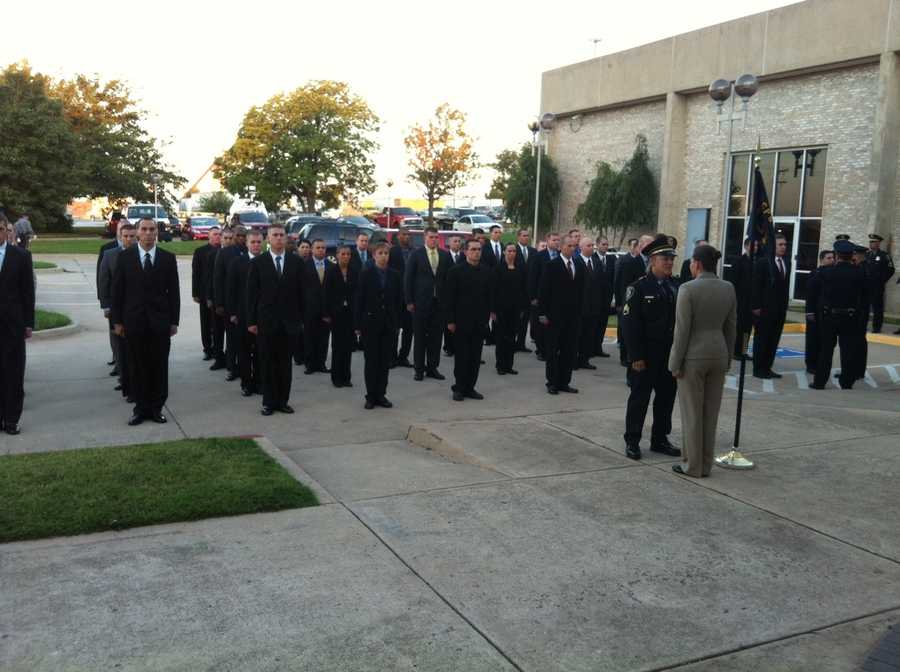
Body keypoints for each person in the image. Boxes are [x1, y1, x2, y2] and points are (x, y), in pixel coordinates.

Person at [668, 244, 736, 478]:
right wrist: (728, 357)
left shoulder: (687, 289)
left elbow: (682, 331)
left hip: (693, 357)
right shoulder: (728, 288)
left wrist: (674, 363)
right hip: (718, 353)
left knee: (692, 414)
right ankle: (705, 464)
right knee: (710, 413)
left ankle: (692, 465)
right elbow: (731, 327)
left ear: (696, 264)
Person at [110, 218, 180, 426]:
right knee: (136, 365)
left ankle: (156, 408)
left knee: (159, 365)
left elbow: (173, 293)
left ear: (156, 232)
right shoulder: (125, 257)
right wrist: (117, 321)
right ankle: (140, 409)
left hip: (160, 322)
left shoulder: (167, 258)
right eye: (144, 229)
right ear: (138, 232)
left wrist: (173, 321)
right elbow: (117, 292)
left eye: (152, 229)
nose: (148, 233)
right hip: (133, 322)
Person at [620, 234, 681, 460]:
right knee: (640, 399)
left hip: (669, 355)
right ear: (652, 260)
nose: (669, 262)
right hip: (645, 356)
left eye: (671, 258)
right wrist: (635, 356)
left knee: (666, 399)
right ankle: (632, 441)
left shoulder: (675, 287)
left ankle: (660, 439)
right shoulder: (638, 288)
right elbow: (629, 325)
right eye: (665, 258)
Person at [246, 223, 304, 415]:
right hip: (266, 322)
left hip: (289, 322)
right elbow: (252, 294)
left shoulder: (296, 262)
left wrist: (301, 319)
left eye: (281, 235)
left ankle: (282, 401)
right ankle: (269, 402)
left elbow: (302, 293)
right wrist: (252, 321)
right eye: (275, 235)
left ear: (286, 238)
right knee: (268, 362)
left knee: (285, 364)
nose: (279, 238)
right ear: (268, 239)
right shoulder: (258, 263)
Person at [811, 240, 866, 390]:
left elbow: (815, 290)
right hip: (850, 317)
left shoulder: (825, 272)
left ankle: (819, 382)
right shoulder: (859, 272)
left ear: (836, 255)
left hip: (829, 316)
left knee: (825, 350)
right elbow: (865, 295)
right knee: (848, 350)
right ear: (851, 255)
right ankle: (847, 382)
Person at [355, 242, 403, 409]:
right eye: (380, 253)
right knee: (371, 361)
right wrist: (358, 324)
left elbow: (399, 300)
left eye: (386, 253)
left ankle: (381, 394)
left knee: (384, 361)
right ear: (374, 255)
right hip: (370, 323)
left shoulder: (395, 275)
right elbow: (359, 300)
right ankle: (370, 396)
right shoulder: (366, 274)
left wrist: (397, 322)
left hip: (388, 323)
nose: (384, 256)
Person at [445, 239, 493, 400]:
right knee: (462, 357)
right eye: (473, 249)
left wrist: (487, 317)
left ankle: (470, 388)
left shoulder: (486, 271)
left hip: (479, 321)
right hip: (461, 322)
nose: (476, 252)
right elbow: (449, 298)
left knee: (475, 357)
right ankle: (459, 388)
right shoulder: (455, 271)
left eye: (479, 249)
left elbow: (489, 296)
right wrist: (450, 320)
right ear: (465, 251)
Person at [0, 215, 35, 435]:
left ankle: (11, 419)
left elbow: (27, 292)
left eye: (0, 228)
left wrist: (28, 323)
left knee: (13, 373)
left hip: (13, 325)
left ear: (7, 230)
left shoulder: (21, 256)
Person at [539, 234, 584, 395]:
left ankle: (564, 382)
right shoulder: (552, 265)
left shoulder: (578, 265)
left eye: (574, 246)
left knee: (569, 350)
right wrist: (543, 313)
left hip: (573, 317)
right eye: (569, 246)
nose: (572, 249)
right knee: (553, 351)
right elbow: (544, 290)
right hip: (554, 316)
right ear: (561, 247)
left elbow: (582, 290)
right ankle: (552, 382)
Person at [404, 226, 451, 381]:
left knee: (436, 338)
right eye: (431, 237)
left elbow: (449, 279)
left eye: (436, 237)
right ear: (425, 238)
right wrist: (409, 300)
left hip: (439, 303)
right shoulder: (416, 254)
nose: (434, 240)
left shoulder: (444, 255)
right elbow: (408, 278)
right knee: (420, 338)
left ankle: (432, 368)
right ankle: (419, 369)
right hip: (420, 303)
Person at [99, 223, 137, 401]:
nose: (128, 239)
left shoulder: (141, 254)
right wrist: (106, 306)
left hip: (136, 310)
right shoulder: (110, 255)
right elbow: (103, 281)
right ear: (120, 237)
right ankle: (124, 379)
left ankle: (136, 382)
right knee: (120, 348)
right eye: (125, 236)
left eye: (132, 236)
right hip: (116, 310)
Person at [226, 229, 263, 397]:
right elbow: (231, 289)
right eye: (253, 242)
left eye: (258, 242)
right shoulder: (237, 263)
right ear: (247, 244)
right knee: (244, 352)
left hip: (262, 315)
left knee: (261, 352)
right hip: (242, 315)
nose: (256, 245)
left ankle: (259, 383)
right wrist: (233, 313)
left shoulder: (266, 261)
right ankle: (246, 383)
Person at [751, 233, 790, 379]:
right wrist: (756, 306)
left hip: (779, 309)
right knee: (762, 339)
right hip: (765, 309)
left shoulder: (786, 262)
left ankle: (767, 367)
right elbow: (756, 285)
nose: (783, 247)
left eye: (785, 245)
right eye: (780, 244)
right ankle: (758, 369)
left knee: (774, 339)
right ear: (773, 246)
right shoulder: (763, 262)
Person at [615, 234, 654, 366]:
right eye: (649, 244)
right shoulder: (630, 262)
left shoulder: (652, 262)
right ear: (641, 245)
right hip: (631, 302)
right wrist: (621, 303)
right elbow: (623, 284)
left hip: (646, 303)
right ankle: (625, 357)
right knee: (628, 329)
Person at [214, 226, 247, 381]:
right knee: (232, 338)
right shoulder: (224, 253)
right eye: (238, 235)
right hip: (230, 302)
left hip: (247, 303)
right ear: (234, 236)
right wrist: (219, 303)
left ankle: (245, 367)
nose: (241, 238)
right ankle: (232, 368)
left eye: (243, 235)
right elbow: (218, 279)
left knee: (245, 339)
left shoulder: (250, 251)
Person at [492, 242, 528, 375]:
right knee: (501, 338)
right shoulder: (498, 268)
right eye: (509, 251)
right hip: (501, 309)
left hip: (516, 309)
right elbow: (493, 290)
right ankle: (500, 365)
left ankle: (509, 365)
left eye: (514, 251)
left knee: (512, 337)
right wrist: (493, 310)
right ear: (504, 252)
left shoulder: (520, 268)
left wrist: (523, 307)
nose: (512, 253)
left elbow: (524, 288)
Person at [575, 237, 609, 370]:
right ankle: (574, 360)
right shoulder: (576, 261)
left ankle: (584, 360)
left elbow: (602, 284)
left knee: (589, 335)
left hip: (594, 306)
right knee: (577, 335)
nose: (591, 248)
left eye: (592, 245)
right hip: (579, 306)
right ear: (581, 247)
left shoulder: (596, 262)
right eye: (588, 245)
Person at [325, 245, 358, 387]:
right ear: (337, 255)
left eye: (348, 254)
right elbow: (326, 293)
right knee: (338, 346)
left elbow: (357, 293)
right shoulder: (331, 271)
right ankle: (336, 377)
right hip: (336, 313)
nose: (346, 257)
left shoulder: (354, 271)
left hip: (350, 313)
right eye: (343, 254)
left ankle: (346, 377)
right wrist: (326, 313)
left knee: (348, 346)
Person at [301, 238, 333, 374]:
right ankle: (310, 364)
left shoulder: (331, 266)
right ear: (312, 249)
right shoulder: (304, 266)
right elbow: (300, 289)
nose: (321, 250)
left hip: (325, 310)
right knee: (309, 337)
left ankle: (321, 363)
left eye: (323, 248)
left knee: (323, 338)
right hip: (309, 309)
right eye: (318, 248)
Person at [528, 231, 560, 361]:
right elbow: (533, 277)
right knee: (540, 325)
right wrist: (533, 297)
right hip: (541, 297)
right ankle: (541, 350)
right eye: (554, 240)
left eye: (558, 240)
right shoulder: (539, 256)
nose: (556, 242)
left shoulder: (560, 255)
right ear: (547, 240)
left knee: (553, 325)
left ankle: (552, 349)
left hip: (556, 299)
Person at [191, 225, 221, 361]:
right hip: (204, 293)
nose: (218, 237)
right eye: (215, 234)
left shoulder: (223, 250)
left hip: (219, 294)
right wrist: (195, 293)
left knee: (217, 324)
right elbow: (195, 273)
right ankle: (207, 349)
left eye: (219, 234)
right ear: (209, 236)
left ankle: (218, 349)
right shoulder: (200, 251)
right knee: (206, 323)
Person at [804, 249, 834, 374]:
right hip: (815, 312)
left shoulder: (833, 273)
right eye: (829, 258)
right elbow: (810, 294)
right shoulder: (815, 273)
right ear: (821, 260)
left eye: (833, 258)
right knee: (813, 339)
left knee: (824, 341)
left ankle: (821, 364)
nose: (832, 260)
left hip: (827, 314)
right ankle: (811, 364)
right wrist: (810, 312)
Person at [389, 227, 415, 368]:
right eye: (404, 234)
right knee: (394, 328)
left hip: (410, 296)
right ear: (398, 236)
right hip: (395, 295)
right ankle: (391, 357)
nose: (407, 237)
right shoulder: (392, 252)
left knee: (409, 329)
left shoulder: (414, 251)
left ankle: (403, 356)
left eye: (408, 235)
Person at [208, 227, 233, 371]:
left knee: (230, 333)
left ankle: (230, 359)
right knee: (217, 331)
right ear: (221, 239)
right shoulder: (213, 254)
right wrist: (211, 298)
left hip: (230, 301)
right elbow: (209, 278)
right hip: (217, 299)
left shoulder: (236, 254)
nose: (228, 241)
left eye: (231, 238)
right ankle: (218, 358)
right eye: (226, 238)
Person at [863, 233, 894, 333]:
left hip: (877, 286)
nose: (871, 243)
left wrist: (881, 280)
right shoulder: (866, 255)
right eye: (870, 242)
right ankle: (863, 325)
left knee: (877, 308)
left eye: (874, 242)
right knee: (864, 307)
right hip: (866, 286)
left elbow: (891, 269)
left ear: (878, 243)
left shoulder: (884, 255)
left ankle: (876, 327)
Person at [730, 238, 755, 359]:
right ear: (746, 247)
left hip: (752, 302)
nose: (755, 248)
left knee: (747, 329)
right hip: (740, 301)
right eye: (752, 245)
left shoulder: (757, 261)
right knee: (739, 327)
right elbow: (733, 282)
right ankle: (735, 352)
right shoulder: (738, 261)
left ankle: (744, 351)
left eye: (757, 246)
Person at [514, 228, 537, 353]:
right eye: (524, 235)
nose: (526, 238)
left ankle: (521, 344)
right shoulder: (513, 250)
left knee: (525, 320)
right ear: (518, 237)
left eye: (528, 236)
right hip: (516, 290)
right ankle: (511, 343)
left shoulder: (533, 251)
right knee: (515, 319)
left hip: (528, 291)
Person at [593, 236, 615, 357]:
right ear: (597, 245)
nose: (606, 247)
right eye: (603, 244)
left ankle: (598, 347)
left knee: (602, 324)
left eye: (607, 244)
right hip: (594, 299)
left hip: (606, 298)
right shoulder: (592, 258)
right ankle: (590, 348)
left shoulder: (611, 259)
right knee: (593, 324)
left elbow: (613, 278)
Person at [443, 234, 465, 356]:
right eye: (455, 241)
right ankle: (448, 346)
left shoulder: (464, 256)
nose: (457, 243)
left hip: (462, 294)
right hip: (448, 293)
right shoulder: (445, 257)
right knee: (449, 321)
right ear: (449, 243)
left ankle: (459, 346)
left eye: (459, 241)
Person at [293, 239, 312, 366]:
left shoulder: (311, 263)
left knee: (307, 331)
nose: (305, 249)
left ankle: (307, 355)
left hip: (308, 302)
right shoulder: (293, 262)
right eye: (303, 247)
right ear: (298, 248)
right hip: (295, 302)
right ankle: (298, 356)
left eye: (307, 247)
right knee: (297, 331)